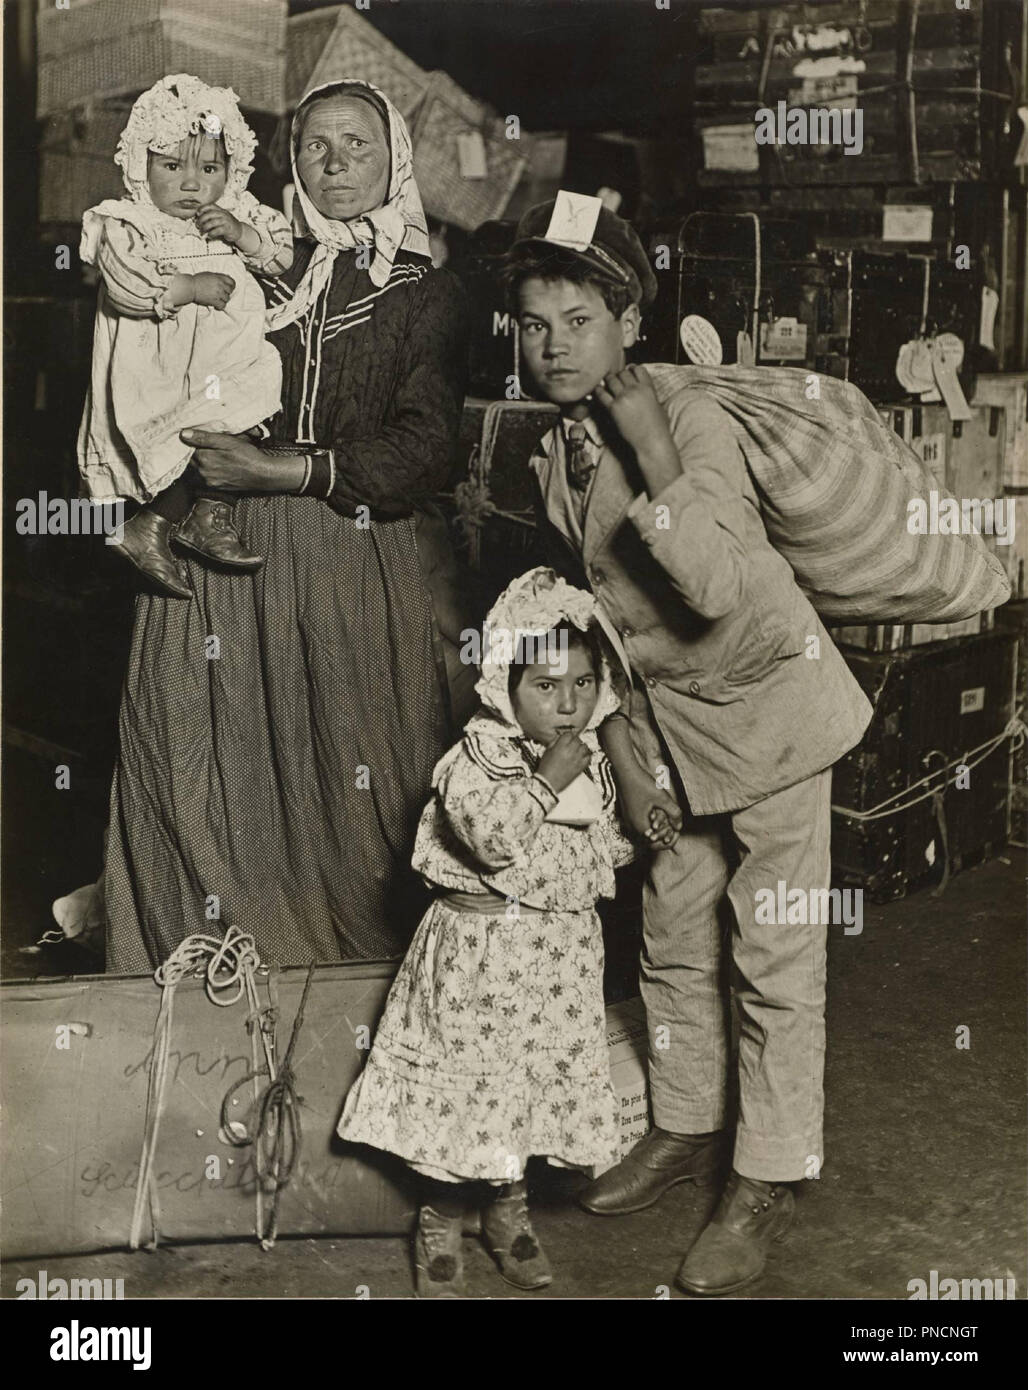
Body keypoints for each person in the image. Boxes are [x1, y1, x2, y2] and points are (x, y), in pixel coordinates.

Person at [500, 196, 873, 1296]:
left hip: (771, 713)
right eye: (532, 323)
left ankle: (765, 1174)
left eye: (577, 318)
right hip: (668, 730)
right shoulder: (554, 444)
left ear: (627, 317)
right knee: (668, 936)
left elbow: (706, 583)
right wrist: (625, 750)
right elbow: (602, 619)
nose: (553, 343)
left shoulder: (689, 417)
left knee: (773, 956)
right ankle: (682, 1124)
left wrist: (653, 445)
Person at [102, 79, 468, 971]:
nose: (336, 164)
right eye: (315, 147)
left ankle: (346, 996)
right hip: (215, 554)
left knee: (349, 787)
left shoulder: (428, 294)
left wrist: (285, 468)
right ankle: (198, 979)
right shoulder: (255, 265)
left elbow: (426, 452)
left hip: (345, 555)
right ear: (289, 163)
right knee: (196, 763)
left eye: (358, 145)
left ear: (396, 161)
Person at [338, 566, 654, 1297]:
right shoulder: (477, 760)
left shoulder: (592, 758)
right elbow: (493, 840)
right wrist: (545, 780)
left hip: (554, 963)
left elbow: (596, 851)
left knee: (525, 1091)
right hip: (479, 961)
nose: (568, 704)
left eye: (581, 683)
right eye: (546, 687)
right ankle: (442, 1216)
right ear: (505, 686)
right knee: (468, 1096)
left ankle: (507, 1213)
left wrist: (641, 821)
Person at [78, 74, 294, 597]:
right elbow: (126, 286)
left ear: (232, 170)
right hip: (161, 364)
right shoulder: (128, 222)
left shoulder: (237, 212)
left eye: (210, 168)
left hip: (229, 358)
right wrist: (187, 286)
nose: (192, 184)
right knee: (179, 437)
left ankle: (205, 516)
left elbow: (283, 256)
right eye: (172, 166)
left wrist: (243, 236)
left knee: (245, 412)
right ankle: (150, 521)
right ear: (140, 166)